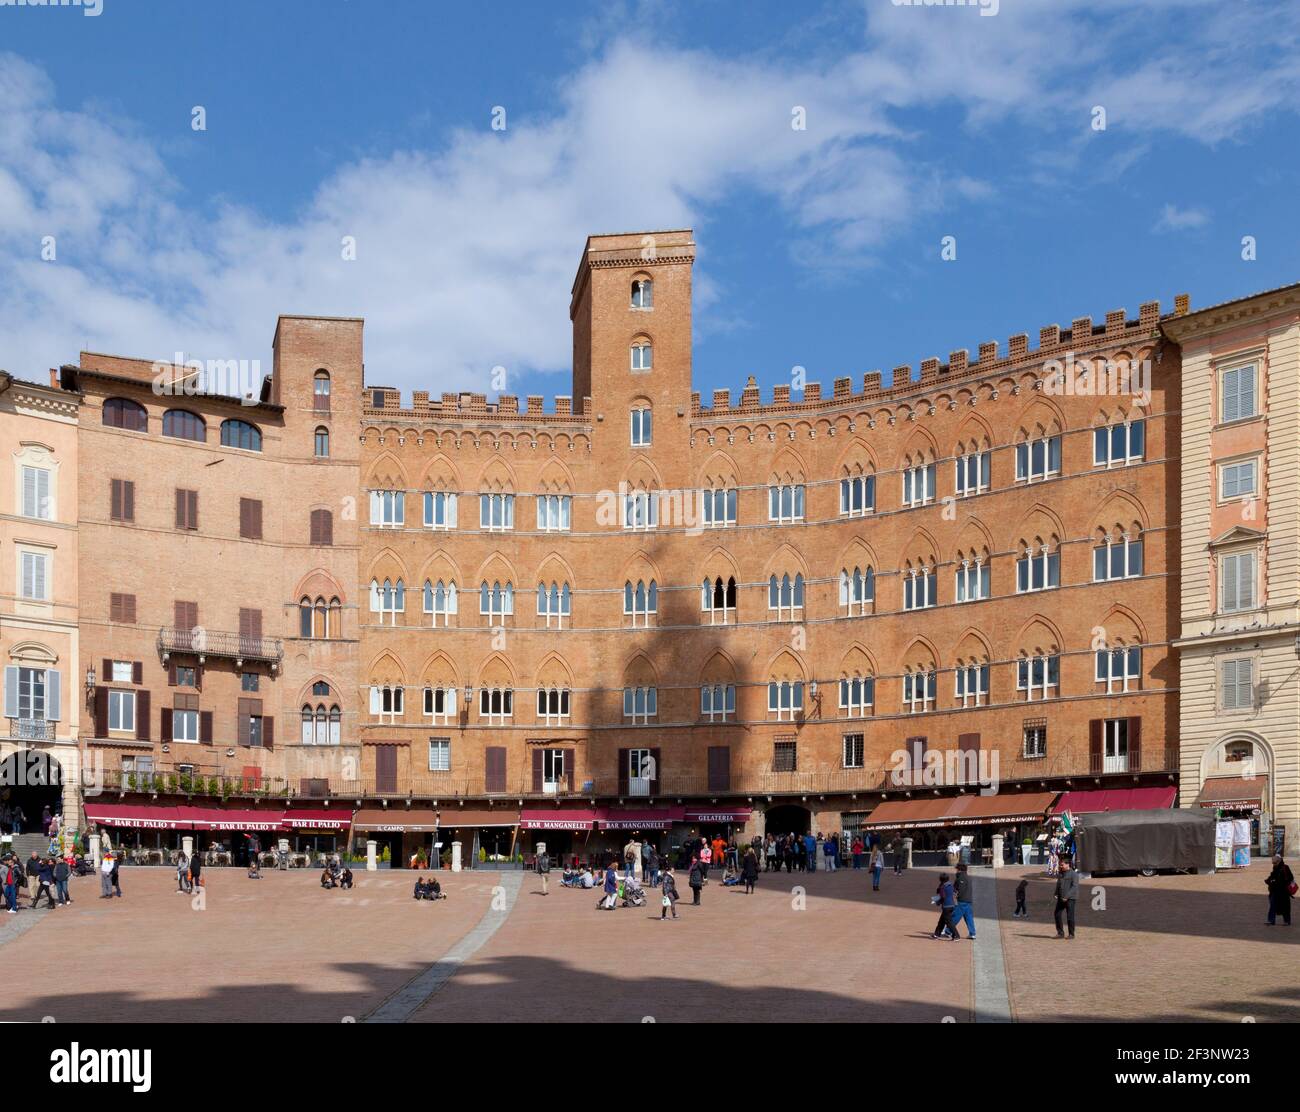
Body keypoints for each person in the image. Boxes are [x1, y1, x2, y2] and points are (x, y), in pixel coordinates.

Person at [1053, 857, 1079, 939]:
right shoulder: (1061, 873)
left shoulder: (1074, 874)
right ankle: (1060, 933)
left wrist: (1067, 896)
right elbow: (1058, 884)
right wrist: (1056, 893)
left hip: (1070, 898)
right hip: (1061, 897)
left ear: (1068, 864)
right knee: (1057, 914)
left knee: (1070, 916)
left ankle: (1071, 934)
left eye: (1062, 865)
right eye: (1060, 865)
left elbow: (1074, 887)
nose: (1061, 866)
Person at [1266, 854, 1295, 926]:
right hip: (1275, 890)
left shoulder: (1285, 867)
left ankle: (1287, 921)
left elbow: (1290, 877)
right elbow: (1273, 876)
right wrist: (1269, 880)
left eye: (1275, 862)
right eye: (1273, 863)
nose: (1274, 864)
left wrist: (1281, 882)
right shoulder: (1275, 868)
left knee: (1285, 907)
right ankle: (1271, 920)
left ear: (1279, 861)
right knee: (1272, 905)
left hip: (1284, 891)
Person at [950, 863, 976, 939]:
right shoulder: (967, 877)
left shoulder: (962, 878)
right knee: (969, 917)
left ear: (959, 870)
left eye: (957, 869)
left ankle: (948, 930)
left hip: (962, 900)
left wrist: (956, 896)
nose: (956, 871)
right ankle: (972, 933)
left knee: (955, 916)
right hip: (968, 900)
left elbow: (960, 890)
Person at [932, 873, 958, 940]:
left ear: (941, 879)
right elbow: (955, 892)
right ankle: (936, 934)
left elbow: (942, 897)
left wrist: (937, 902)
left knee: (949, 922)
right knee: (941, 921)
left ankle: (956, 935)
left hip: (946, 906)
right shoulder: (950, 885)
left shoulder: (942, 887)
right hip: (952, 905)